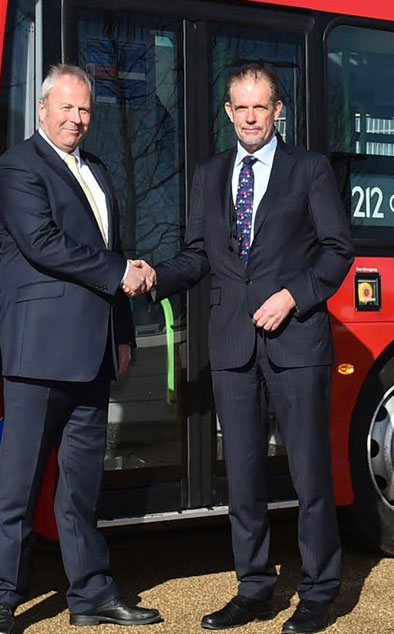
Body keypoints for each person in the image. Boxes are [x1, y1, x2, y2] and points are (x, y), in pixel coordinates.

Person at [147, 62, 355, 634]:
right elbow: (196, 255)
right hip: (233, 345)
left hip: (296, 341)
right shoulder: (209, 174)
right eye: (240, 107)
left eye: (259, 106)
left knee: (310, 473)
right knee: (242, 477)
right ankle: (255, 587)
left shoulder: (309, 170)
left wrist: (294, 296)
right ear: (227, 112)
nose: (249, 117)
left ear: (277, 109)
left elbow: (338, 251)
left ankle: (318, 591)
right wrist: (152, 277)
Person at [0, 64, 161, 631]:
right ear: (42, 110)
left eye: (85, 109)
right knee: (17, 488)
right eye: (66, 108)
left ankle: (90, 595)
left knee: (82, 487)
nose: (77, 119)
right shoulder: (17, 166)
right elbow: (43, 244)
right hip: (38, 355)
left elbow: (113, 249)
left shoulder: (99, 170)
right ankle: (1, 602)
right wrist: (119, 272)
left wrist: (124, 333)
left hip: (94, 353)